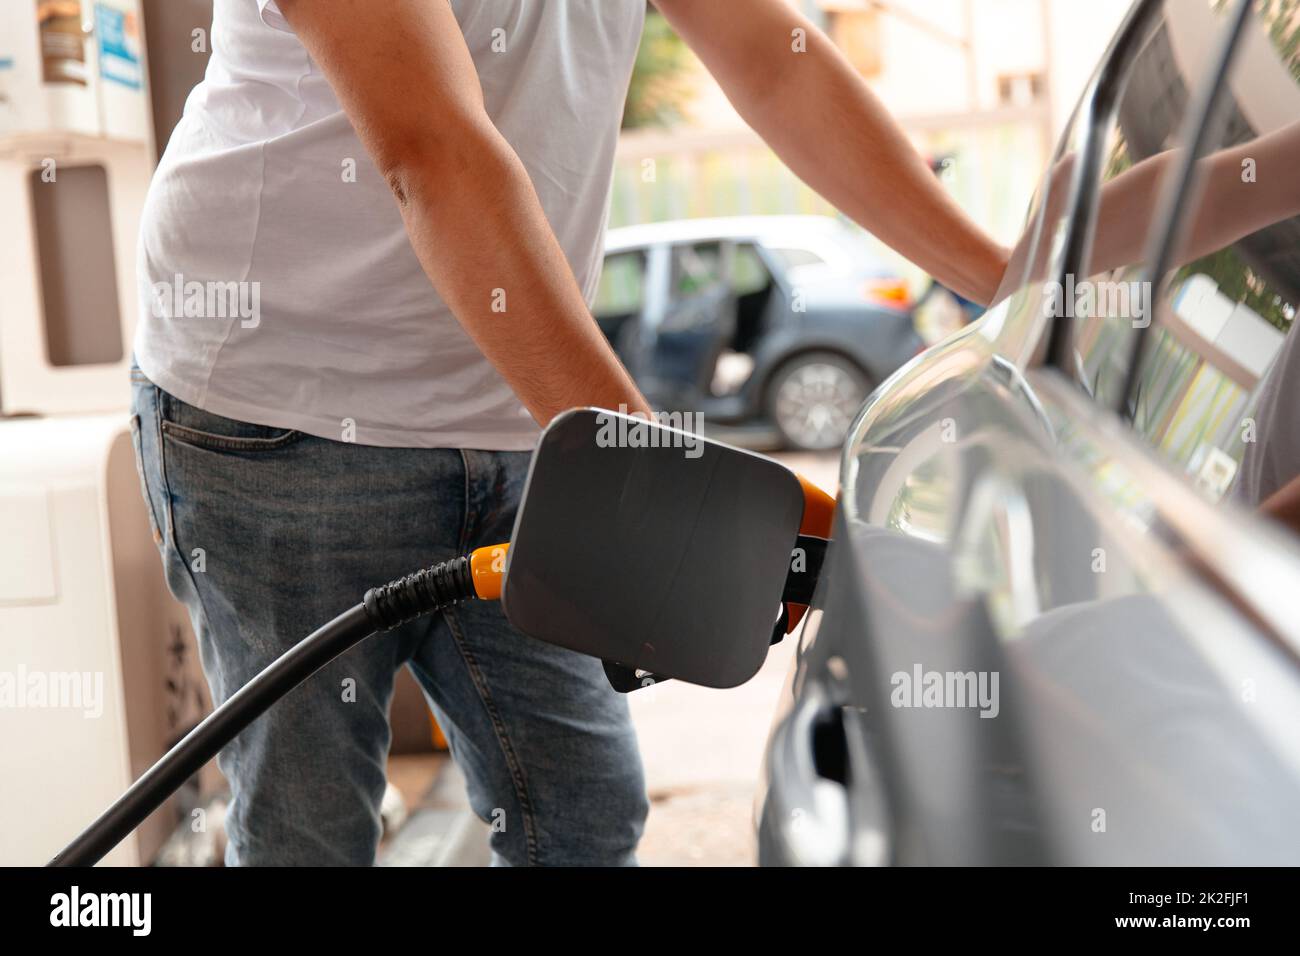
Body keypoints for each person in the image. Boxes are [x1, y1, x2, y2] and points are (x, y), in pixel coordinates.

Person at [130, 0, 1007, 865]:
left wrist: (1005, 283)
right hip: (275, 416)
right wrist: (660, 489)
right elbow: (436, 153)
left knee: (582, 819)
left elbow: (774, 60)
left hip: (522, 413)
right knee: (307, 836)